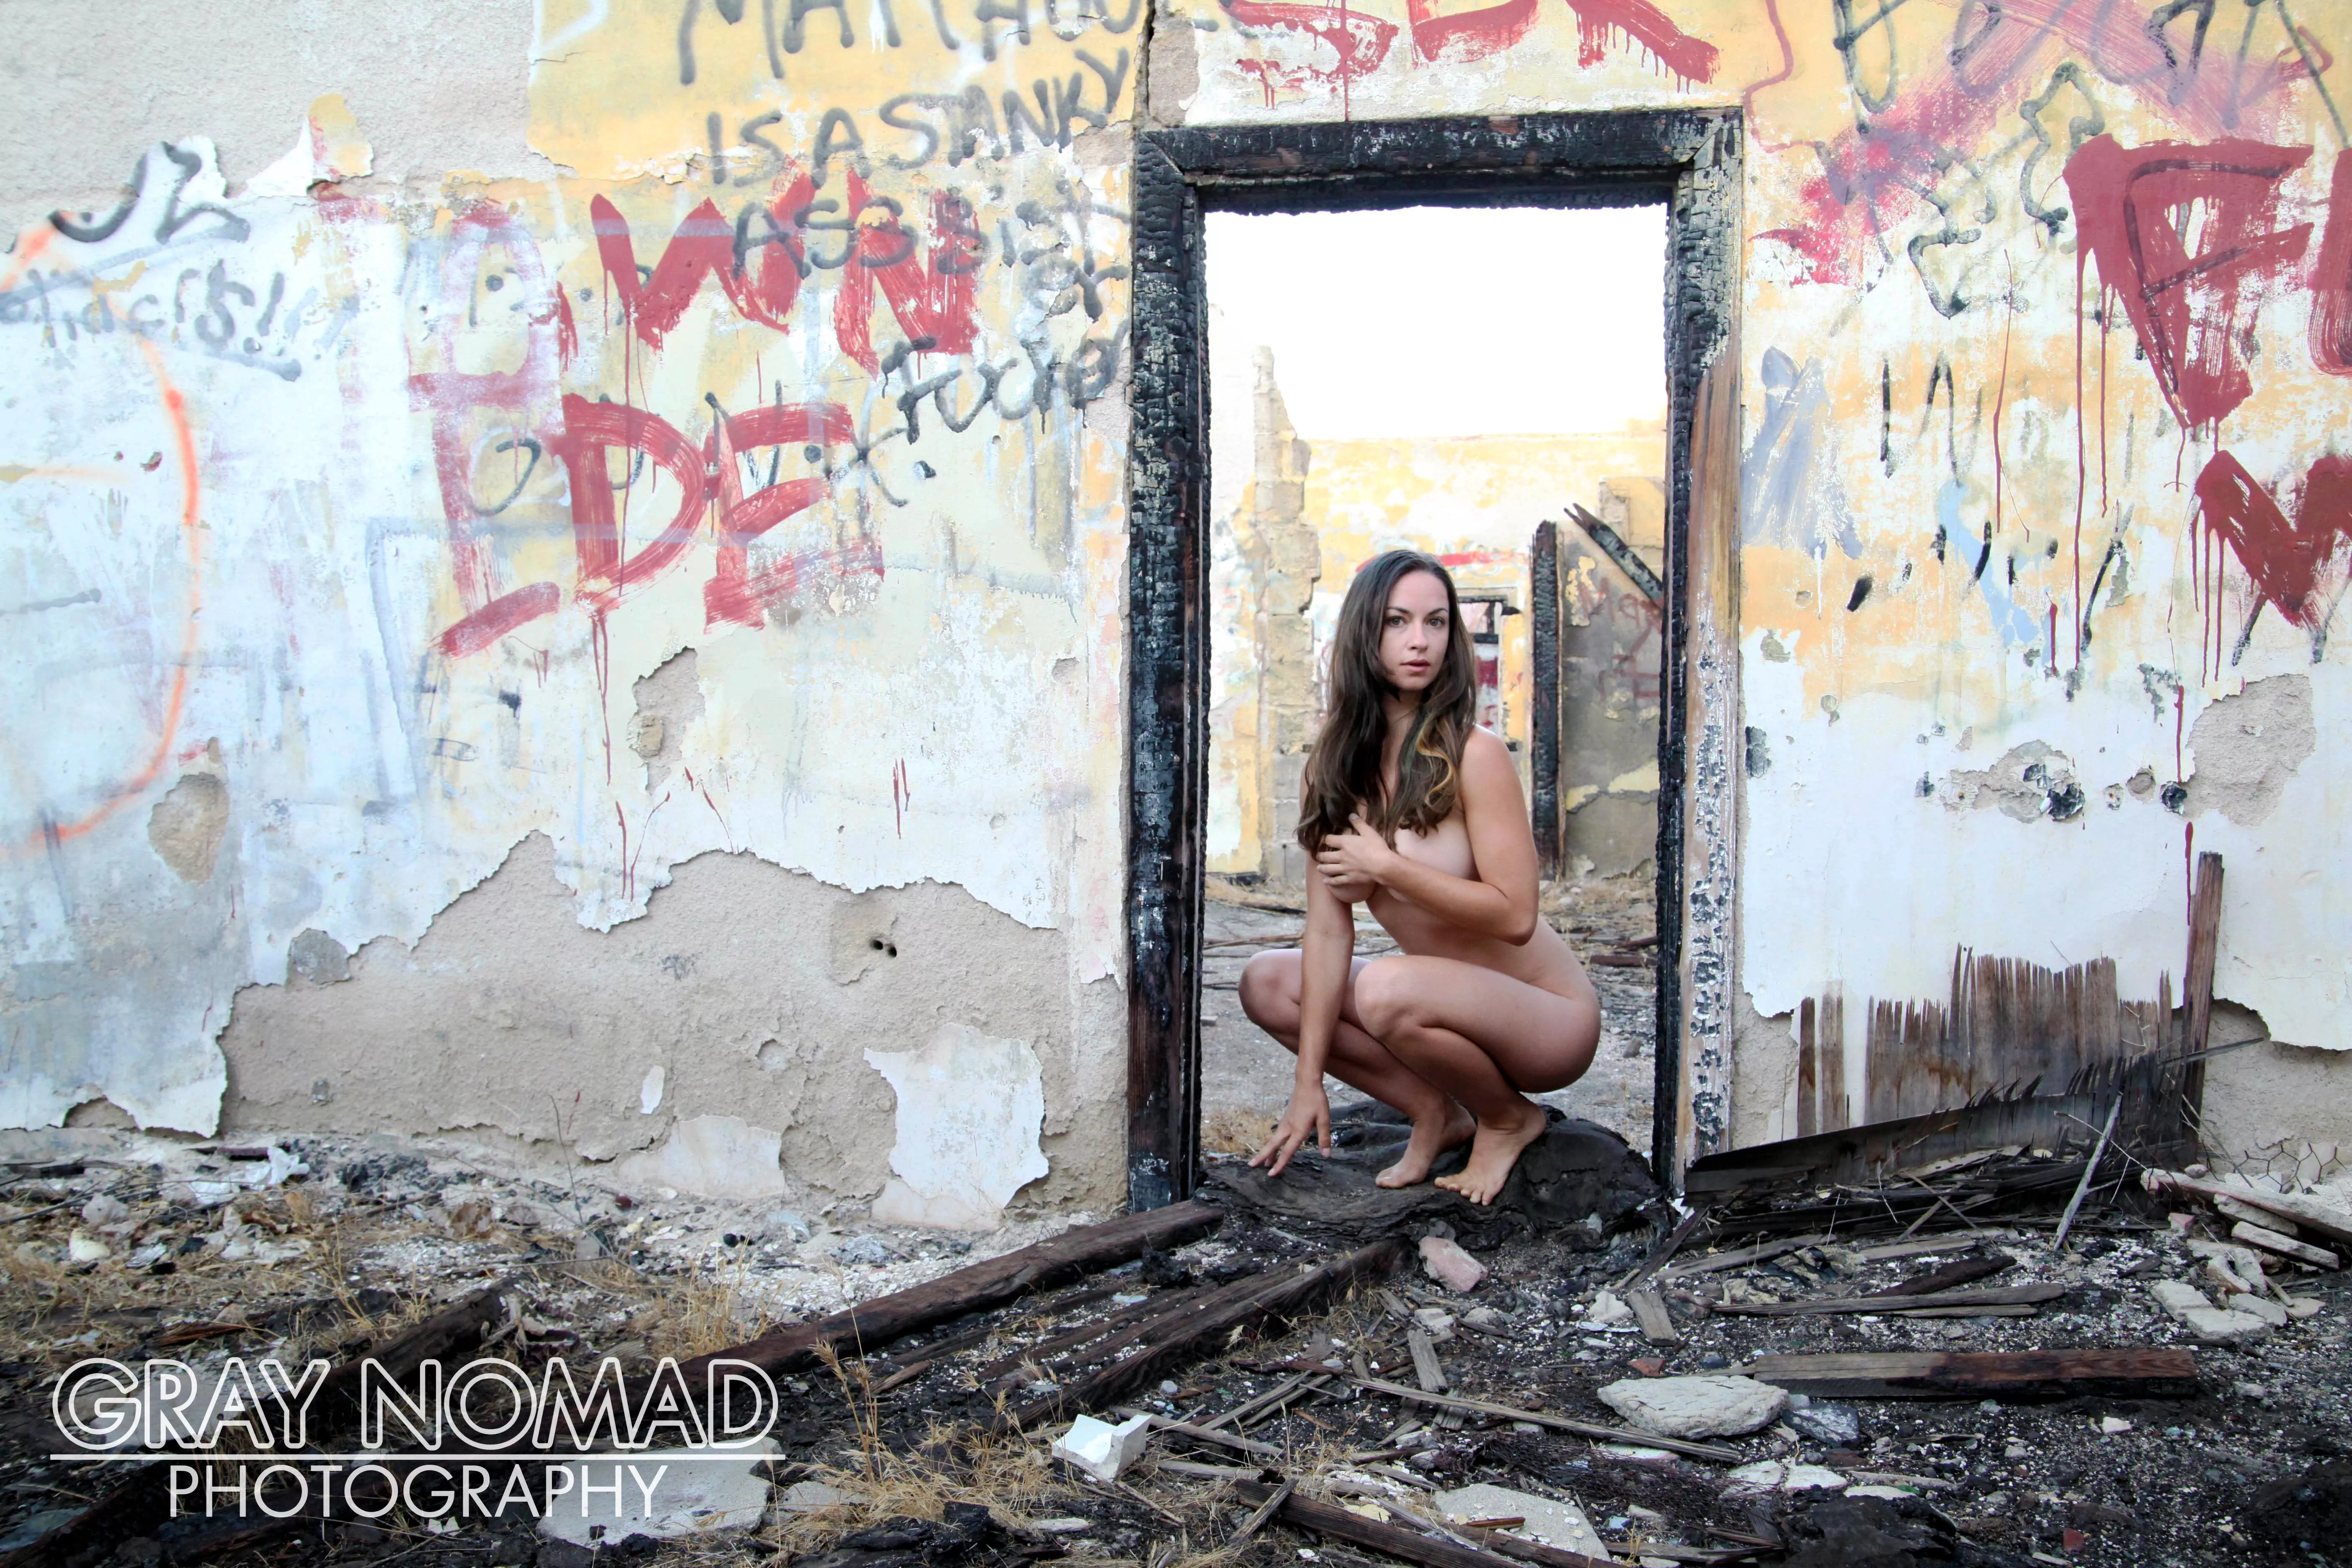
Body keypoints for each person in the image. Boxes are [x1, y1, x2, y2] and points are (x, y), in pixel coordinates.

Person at [1240, 549, 1601, 1204]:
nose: (1419, 641)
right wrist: (1307, 1082)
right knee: (1267, 981)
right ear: (1364, 634)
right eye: (1397, 621)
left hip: (1545, 1019)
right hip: (1446, 1002)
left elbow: (1517, 916)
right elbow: (1327, 935)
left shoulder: (1474, 753)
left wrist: (1387, 868)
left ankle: (1507, 1117)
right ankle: (1438, 1110)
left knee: (1384, 988)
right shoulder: (1332, 768)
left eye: (1436, 623)